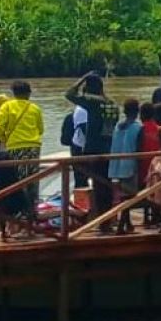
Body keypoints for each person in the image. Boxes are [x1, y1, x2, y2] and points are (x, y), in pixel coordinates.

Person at [65, 72, 120, 232]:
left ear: (88, 88)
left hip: (94, 150)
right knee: (107, 186)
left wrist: (81, 78)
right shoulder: (112, 103)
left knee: (97, 186)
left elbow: (69, 94)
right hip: (110, 149)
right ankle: (107, 220)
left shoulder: (92, 102)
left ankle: (102, 223)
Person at [0, 80, 45, 218]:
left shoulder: (7, 107)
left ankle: (20, 213)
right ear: (28, 93)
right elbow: (41, 129)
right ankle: (33, 212)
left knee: (18, 180)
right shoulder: (35, 108)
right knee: (33, 180)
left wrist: (4, 139)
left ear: (14, 93)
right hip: (34, 147)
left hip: (15, 147)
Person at [0, 138, 31, 240]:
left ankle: (3, 233)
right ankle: (28, 229)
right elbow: (15, 172)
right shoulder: (7, 156)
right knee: (25, 205)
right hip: (14, 189)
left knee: (1, 208)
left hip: (0, 192)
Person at [108, 98, 143, 234]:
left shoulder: (118, 126)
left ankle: (127, 223)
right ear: (137, 111)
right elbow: (139, 148)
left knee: (122, 196)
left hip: (116, 165)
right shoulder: (138, 127)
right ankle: (122, 224)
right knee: (128, 197)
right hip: (129, 165)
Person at [138, 102, 161, 226]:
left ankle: (146, 218)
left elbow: (137, 148)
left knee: (144, 192)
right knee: (155, 191)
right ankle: (156, 217)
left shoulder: (140, 129)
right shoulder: (159, 129)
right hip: (157, 166)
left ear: (141, 115)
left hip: (143, 166)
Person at [68, 104, 90, 188]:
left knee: (86, 176)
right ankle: (81, 198)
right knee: (81, 178)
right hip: (80, 146)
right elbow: (85, 130)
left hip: (83, 145)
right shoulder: (82, 109)